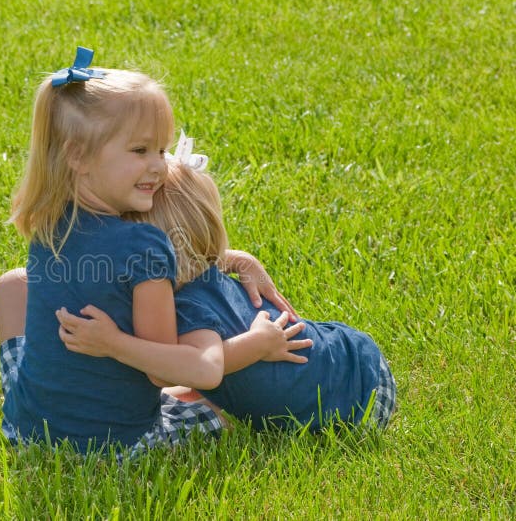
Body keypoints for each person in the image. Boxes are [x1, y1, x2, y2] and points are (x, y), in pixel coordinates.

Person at [0, 47, 309, 454]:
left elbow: (102, 270)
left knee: (12, 285)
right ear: (78, 156)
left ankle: (32, 402)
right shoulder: (144, 245)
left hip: (26, 430)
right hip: (114, 445)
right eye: (140, 151)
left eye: (161, 150)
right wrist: (257, 342)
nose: (159, 167)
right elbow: (166, 370)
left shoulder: (50, 220)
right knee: (206, 403)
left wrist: (237, 260)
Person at [57, 157, 397, 431]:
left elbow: (206, 365)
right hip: (353, 365)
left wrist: (259, 343)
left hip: (358, 395)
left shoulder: (186, 307)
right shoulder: (201, 275)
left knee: (190, 372)